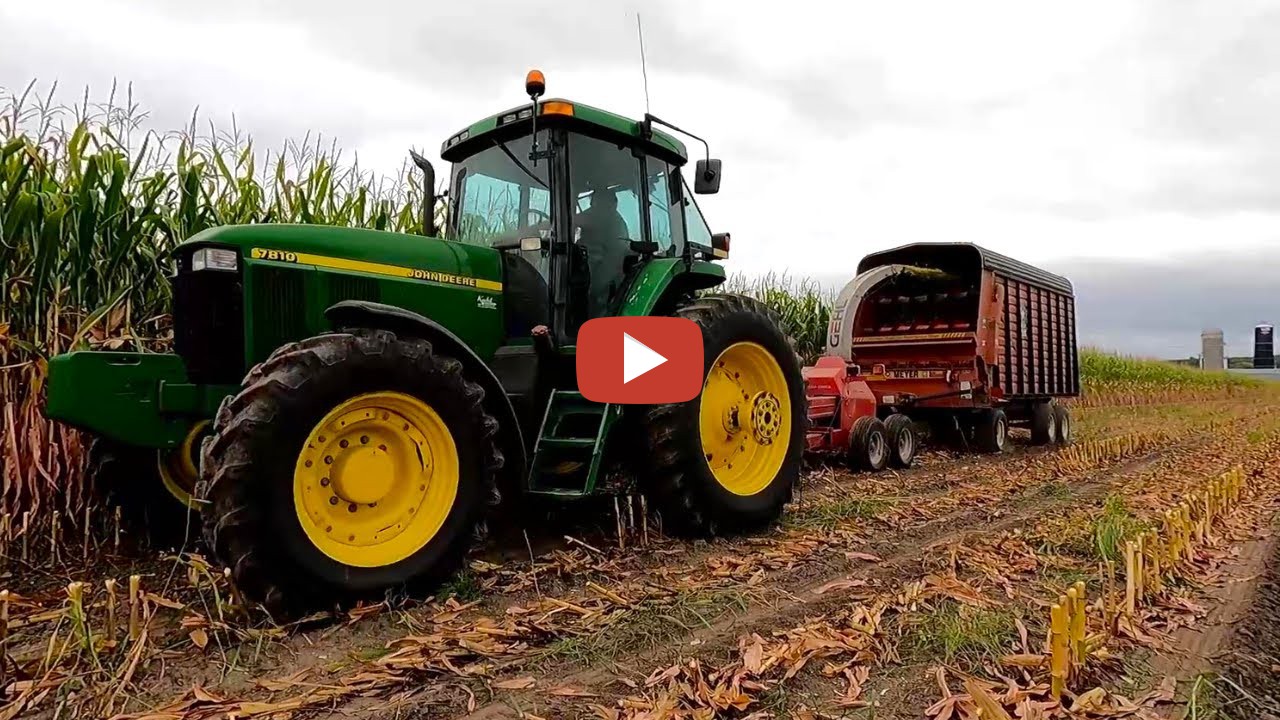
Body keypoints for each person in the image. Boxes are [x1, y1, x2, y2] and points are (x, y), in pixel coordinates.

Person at [574, 187, 632, 318]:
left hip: (609, 262)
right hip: (602, 259)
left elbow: (572, 220)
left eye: (595, 201)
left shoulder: (603, 215)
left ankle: (594, 324)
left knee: (595, 293)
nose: (592, 205)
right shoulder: (610, 217)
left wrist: (532, 229)